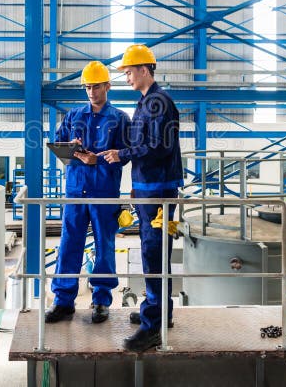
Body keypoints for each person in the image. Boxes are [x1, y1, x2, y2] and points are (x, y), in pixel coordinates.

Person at [99, 44, 183, 352]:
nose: (127, 77)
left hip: (159, 190)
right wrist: (135, 184)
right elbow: (147, 148)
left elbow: (158, 148)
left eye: (129, 72)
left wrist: (122, 153)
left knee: (154, 253)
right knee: (155, 252)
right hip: (149, 187)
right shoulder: (147, 102)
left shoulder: (158, 103)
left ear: (145, 69)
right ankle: (160, 313)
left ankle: (153, 327)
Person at [45, 60, 131, 324]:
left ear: (107, 86)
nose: (91, 92)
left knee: (105, 244)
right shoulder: (74, 115)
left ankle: (101, 300)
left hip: (104, 191)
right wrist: (70, 146)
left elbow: (127, 154)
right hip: (75, 189)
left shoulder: (119, 119)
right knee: (69, 243)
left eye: (96, 86)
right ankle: (63, 301)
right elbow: (59, 143)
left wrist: (99, 160)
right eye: (87, 87)